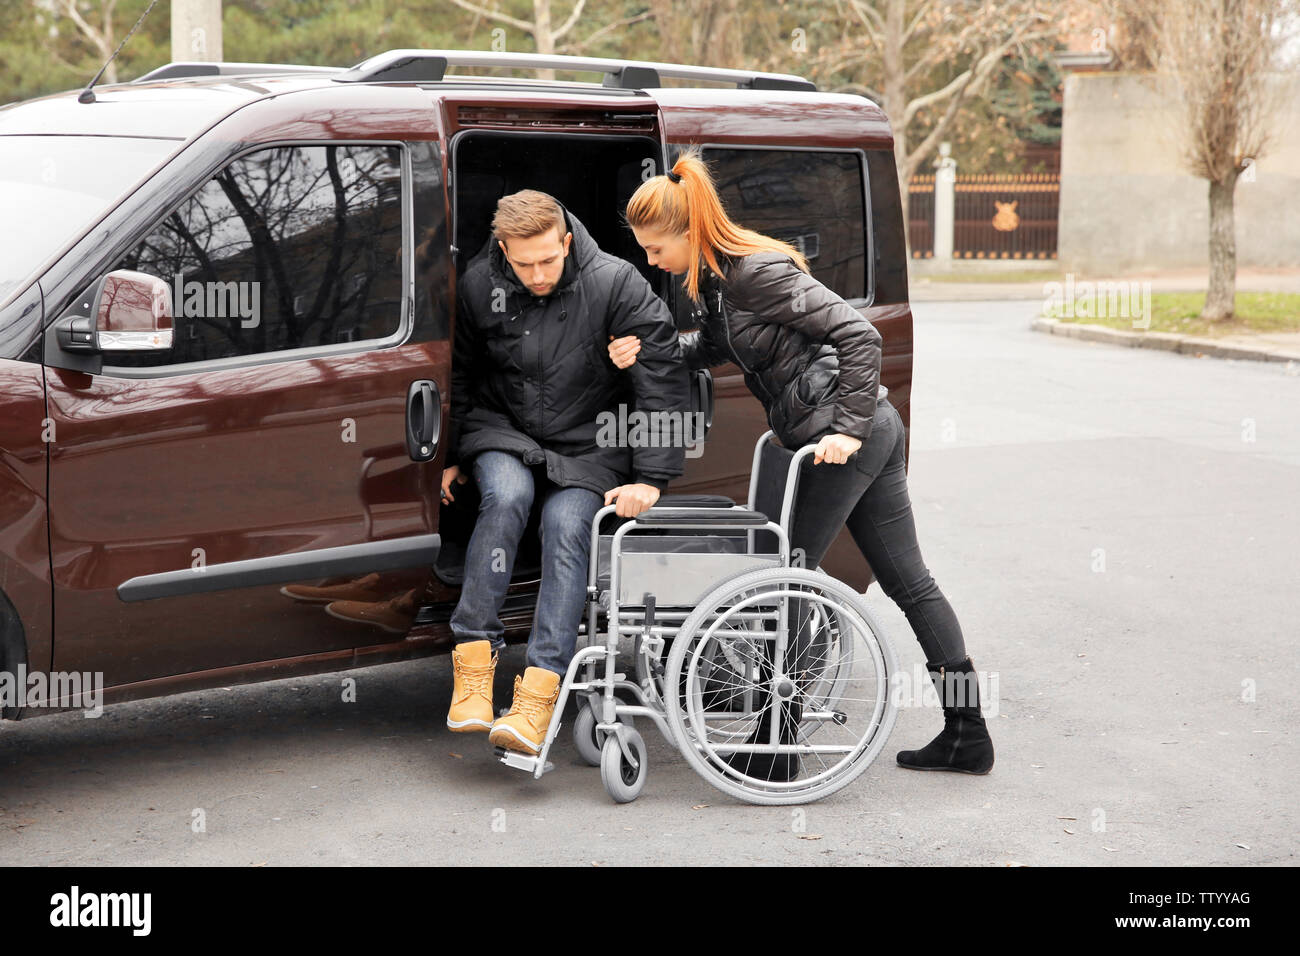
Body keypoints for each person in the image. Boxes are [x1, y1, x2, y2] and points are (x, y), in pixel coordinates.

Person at [610, 148, 994, 779]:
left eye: (655, 248)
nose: (651, 261)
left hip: (843, 438)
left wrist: (846, 428)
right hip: (855, 433)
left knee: (785, 576)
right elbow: (708, 347)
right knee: (907, 582)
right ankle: (966, 734)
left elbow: (859, 335)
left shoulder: (756, 272)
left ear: (687, 231)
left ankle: (779, 744)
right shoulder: (718, 282)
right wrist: (647, 348)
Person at [442, 189, 688, 755]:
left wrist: (651, 477)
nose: (536, 274)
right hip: (502, 429)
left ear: (567, 240)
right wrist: (450, 453)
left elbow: (662, 380)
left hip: (589, 447)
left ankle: (537, 695)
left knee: (568, 527)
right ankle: (474, 666)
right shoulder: (481, 283)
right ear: (503, 248)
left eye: (548, 260)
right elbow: (458, 370)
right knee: (506, 495)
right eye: (523, 263)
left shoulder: (616, 282)